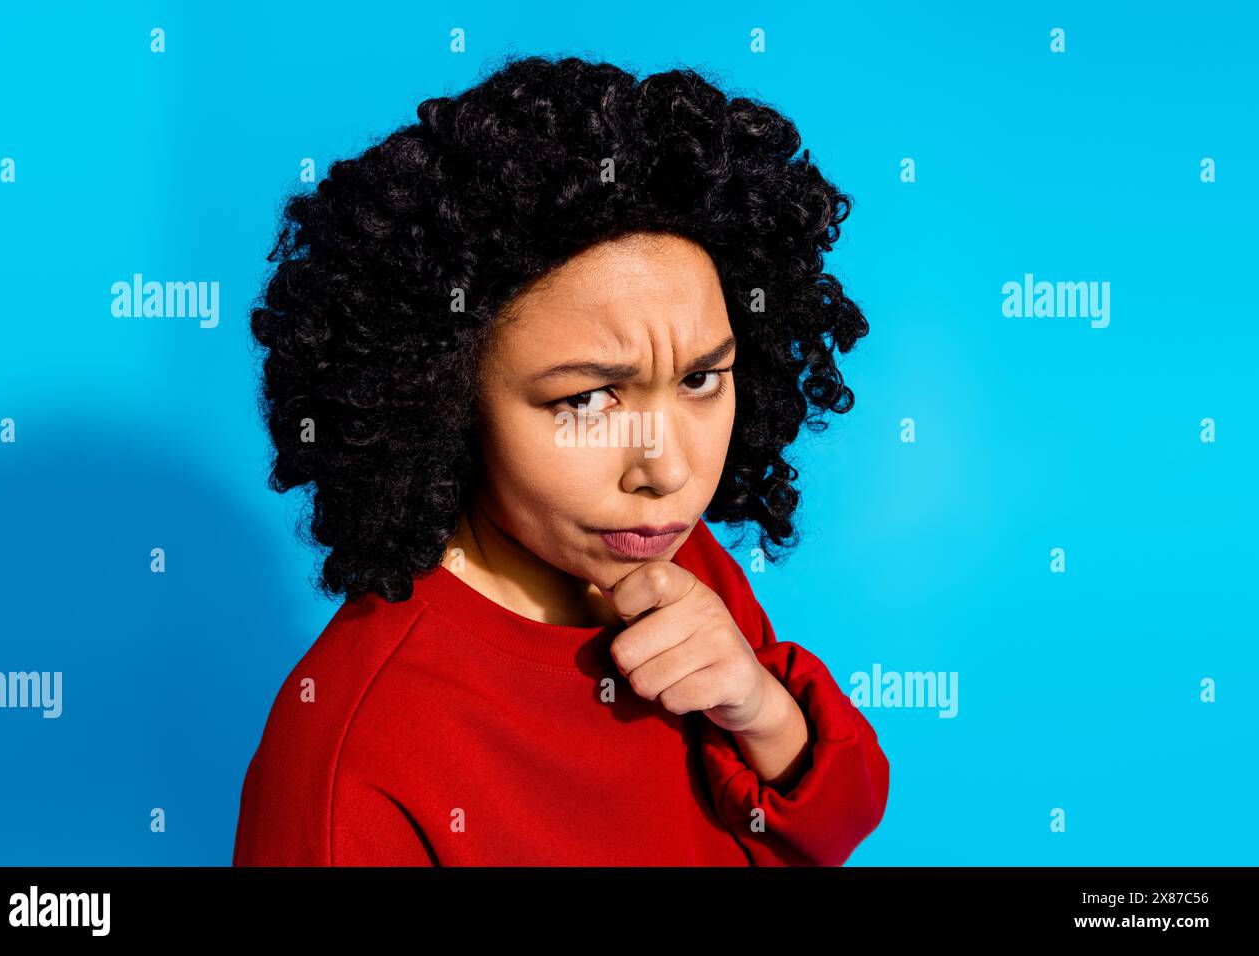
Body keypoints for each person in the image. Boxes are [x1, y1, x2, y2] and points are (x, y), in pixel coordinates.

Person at [233, 53, 887, 866]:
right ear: (442, 394)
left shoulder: (678, 561)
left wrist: (759, 707)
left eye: (700, 379)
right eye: (587, 400)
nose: (666, 471)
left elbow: (831, 825)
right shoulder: (354, 747)